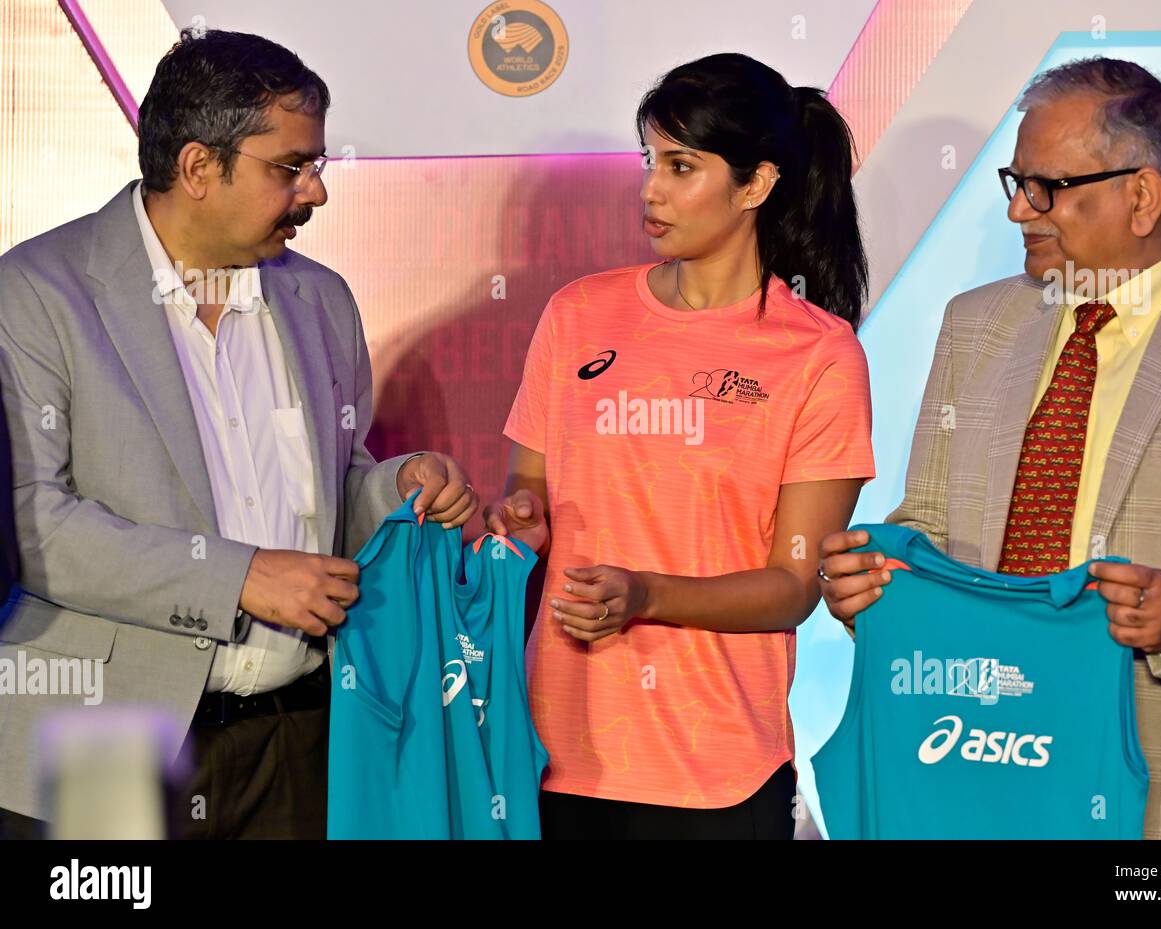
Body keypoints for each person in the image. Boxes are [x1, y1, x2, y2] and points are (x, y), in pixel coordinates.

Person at [0, 28, 476, 839]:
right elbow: (35, 522)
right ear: (196, 167)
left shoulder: (321, 298)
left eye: (315, 164)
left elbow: (335, 487)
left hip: (296, 742)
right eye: (290, 167)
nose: (315, 192)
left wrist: (395, 488)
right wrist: (239, 577)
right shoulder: (35, 292)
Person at [818, 57, 1161, 839]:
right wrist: (878, 582)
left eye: (1046, 187)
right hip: (976, 764)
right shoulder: (975, 325)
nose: (1020, 212)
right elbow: (928, 524)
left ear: (1140, 195)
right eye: (1016, 182)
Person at [485, 53, 874, 839]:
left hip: (720, 771)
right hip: (555, 753)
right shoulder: (577, 315)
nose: (650, 190)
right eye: (648, 161)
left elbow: (794, 583)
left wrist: (647, 595)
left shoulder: (819, 355)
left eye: (681, 166)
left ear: (757, 184)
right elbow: (531, 494)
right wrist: (518, 521)